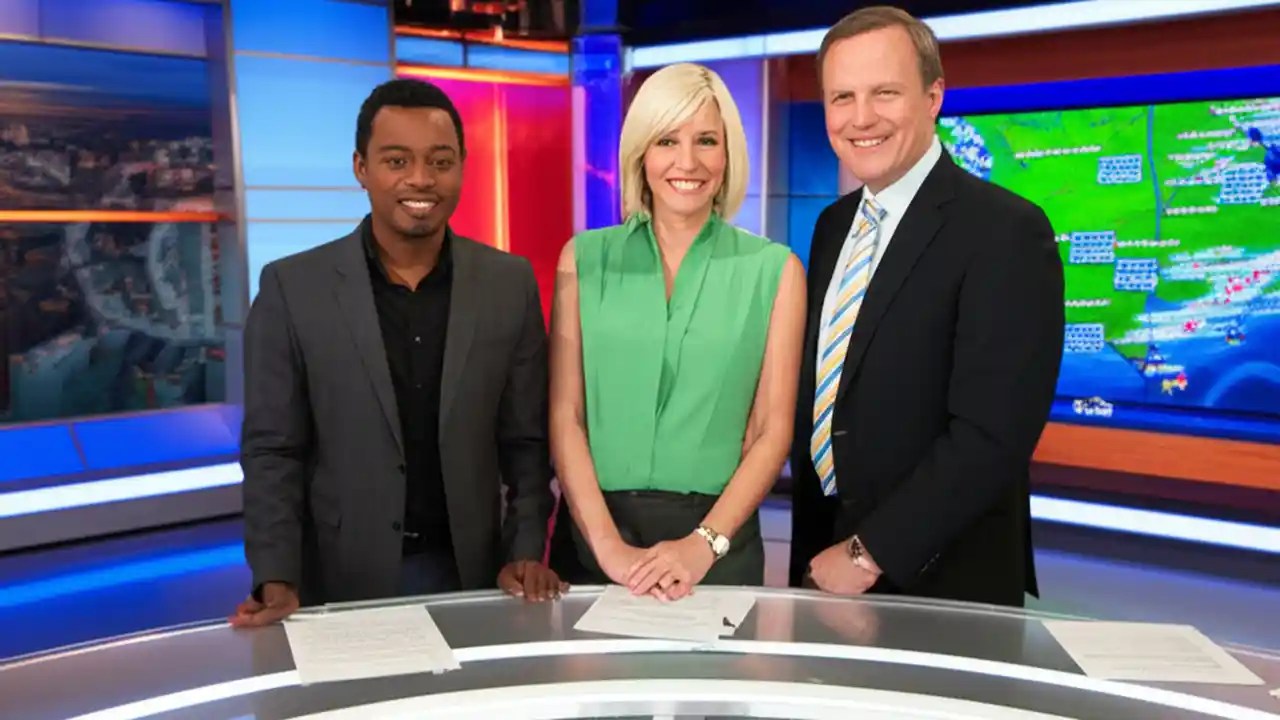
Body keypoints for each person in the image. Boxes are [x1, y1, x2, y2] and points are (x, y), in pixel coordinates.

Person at [231, 79, 565, 627]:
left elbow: (526, 444)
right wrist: (276, 574)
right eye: (396, 160)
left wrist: (524, 552)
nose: (420, 179)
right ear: (361, 167)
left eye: (440, 161)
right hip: (338, 579)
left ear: (461, 166)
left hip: (472, 576)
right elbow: (273, 451)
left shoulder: (510, 283)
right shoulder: (293, 287)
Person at [789, 6, 1065, 607]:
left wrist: (869, 553)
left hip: (941, 576)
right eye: (842, 97)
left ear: (934, 95)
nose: (861, 118)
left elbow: (993, 434)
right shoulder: (833, 226)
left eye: (885, 93)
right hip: (823, 561)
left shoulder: (1006, 231)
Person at [549, 63, 806, 600]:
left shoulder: (775, 270)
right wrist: (609, 548)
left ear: (728, 154)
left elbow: (772, 430)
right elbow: (566, 417)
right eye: (667, 139)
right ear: (642, 151)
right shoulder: (583, 259)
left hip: (717, 543)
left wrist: (703, 543)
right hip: (596, 537)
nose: (687, 162)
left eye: (706, 141)